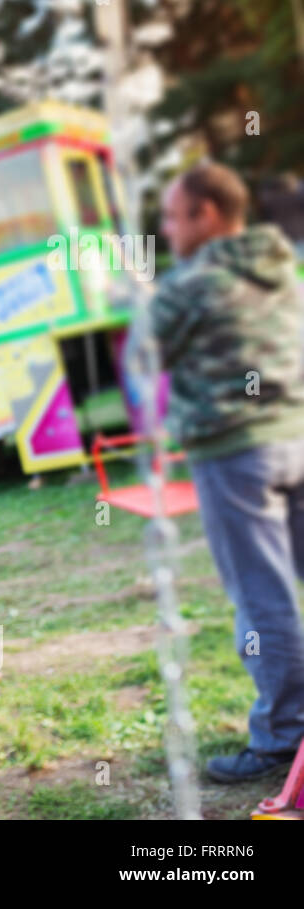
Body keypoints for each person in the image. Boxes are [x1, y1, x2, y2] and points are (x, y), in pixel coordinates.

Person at [144, 161, 304, 784]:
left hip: (236, 451)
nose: (166, 228)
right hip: (297, 435)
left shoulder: (192, 283)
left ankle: (283, 739)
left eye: (172, 215)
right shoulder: (281, 265)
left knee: (262, 596)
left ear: (206, 214)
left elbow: (147, 351)